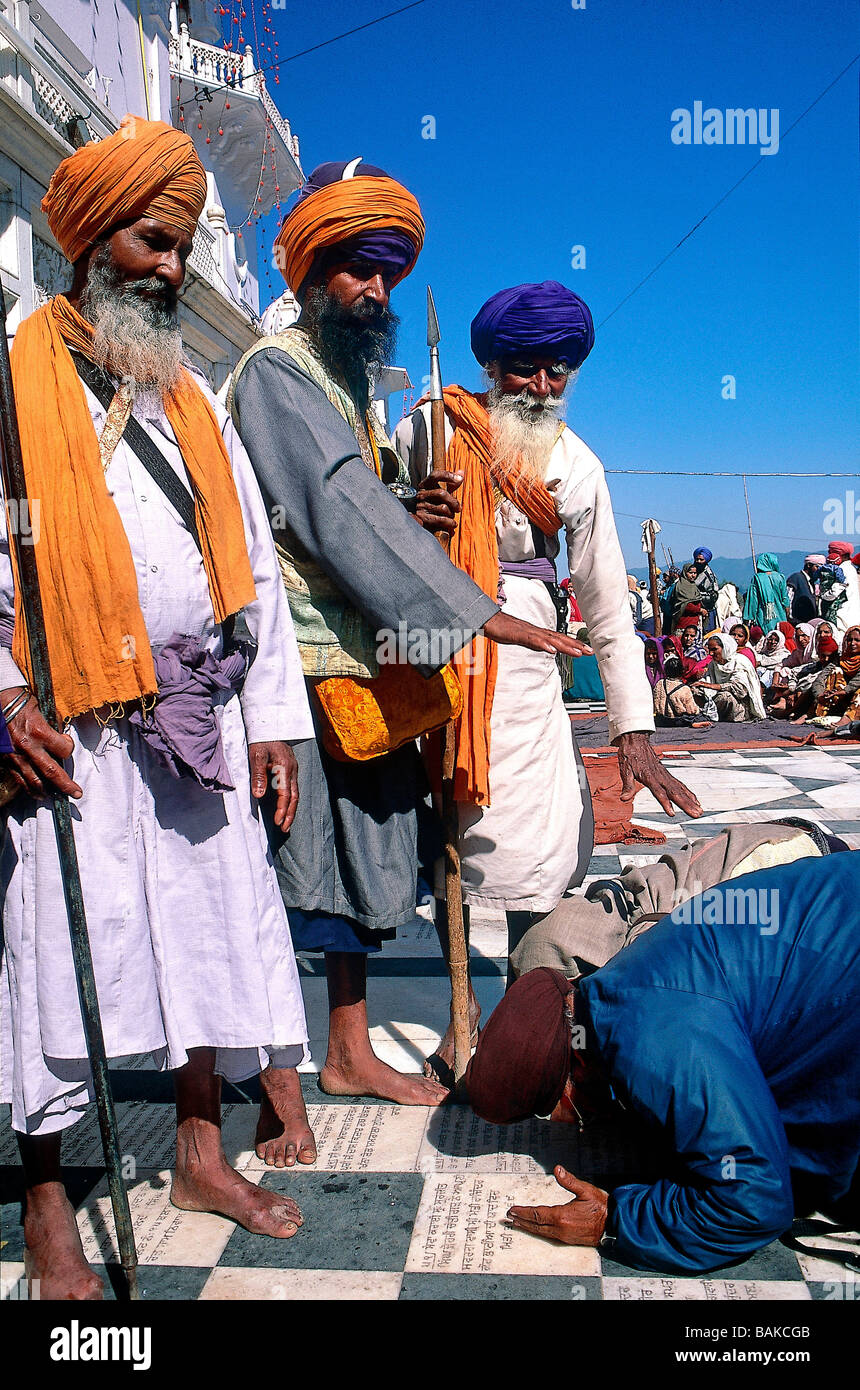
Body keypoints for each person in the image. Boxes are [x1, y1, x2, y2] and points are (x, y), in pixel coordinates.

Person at [0, 118, 315, 1298]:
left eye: (181, 246)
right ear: (87, 241)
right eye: (150, 239)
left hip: (198, 712)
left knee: (204, 933)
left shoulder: (192, 399)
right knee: (58, 959)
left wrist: (272, 718)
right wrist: (4, 699)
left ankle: (196, 1151)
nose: (172, 268)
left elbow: (251, 573)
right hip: (70, 726)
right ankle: (46, 1205)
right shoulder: (11, 381)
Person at [226, 164, 587, 1140]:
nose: (375, 290)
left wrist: (409, 508)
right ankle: (271, 1086)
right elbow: (334, 514)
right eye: (353, 268)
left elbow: (359, 505)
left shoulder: (349, 387)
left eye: (387, 272)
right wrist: (479, 614)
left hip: (366, 659)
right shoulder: (273, 372)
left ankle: (344, 1053)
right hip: (297, 666)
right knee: (284, 875)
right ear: (307, 273)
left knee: (353, 868)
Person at [393, 280, 701, 1079]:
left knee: (540, 849)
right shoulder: (428, 426)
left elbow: (605, 602)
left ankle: (522, 1020)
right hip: (428, 648)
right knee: (443, 845)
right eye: (524, 366)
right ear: (491, 364)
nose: (539, 385)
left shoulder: (579, 465)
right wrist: (407, 511)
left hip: (527, 668)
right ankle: (459, 1019)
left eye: (557, 370)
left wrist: (633, 731)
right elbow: (371, 520)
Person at [467, 852, 860, 1274]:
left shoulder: (659, 1038)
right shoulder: (614, 990)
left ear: (575, 1069)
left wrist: (615, 1220)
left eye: (550, 1113)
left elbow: (754, 1200)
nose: (568, 1127)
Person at [693, 633, 767, 721]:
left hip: (739, 703)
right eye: (709, 650)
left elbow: (740, 689)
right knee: (695, 691)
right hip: (716, 695)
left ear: (725, 648)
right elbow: (707, 679)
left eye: (715, 649)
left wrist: (712, 686)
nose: (711, 653)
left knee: (724, 697)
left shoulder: (739, 662)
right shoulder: (713, 664)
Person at [743, 553, 790, 634]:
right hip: (780, 616)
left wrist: (746, 621)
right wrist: (787, 615)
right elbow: (785, 600)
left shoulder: (757, 578)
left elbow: (753, 602)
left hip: (763, 618)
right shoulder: (780, 577)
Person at [825, 541, 860, 637]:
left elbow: (834, 592)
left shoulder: (841, 569)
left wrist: (823, 595)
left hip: (842, 612)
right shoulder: (852, 568)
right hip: (854, 613)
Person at [786, 555, 822, 624]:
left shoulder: (811, 582)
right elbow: (788, 599)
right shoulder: (796, 578)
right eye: (817, 567)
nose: (819, 571)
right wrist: (791, 619)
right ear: (808, 565)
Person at [670, 562, 705, 632]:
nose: (693, 575)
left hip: (695, 623)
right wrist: (699, 610)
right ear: (685, 573)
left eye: (695, 573)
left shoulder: (694, 586)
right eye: (690, 573)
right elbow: (685, 605)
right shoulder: (680, 586)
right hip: (684, 624)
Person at [691, 545, 719, 627]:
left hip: (707, 611)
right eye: (697, 559)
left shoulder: (709, 575)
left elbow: (714, 595)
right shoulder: (692, 571)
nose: (699, 561)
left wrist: (695, 596)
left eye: (701, 559)